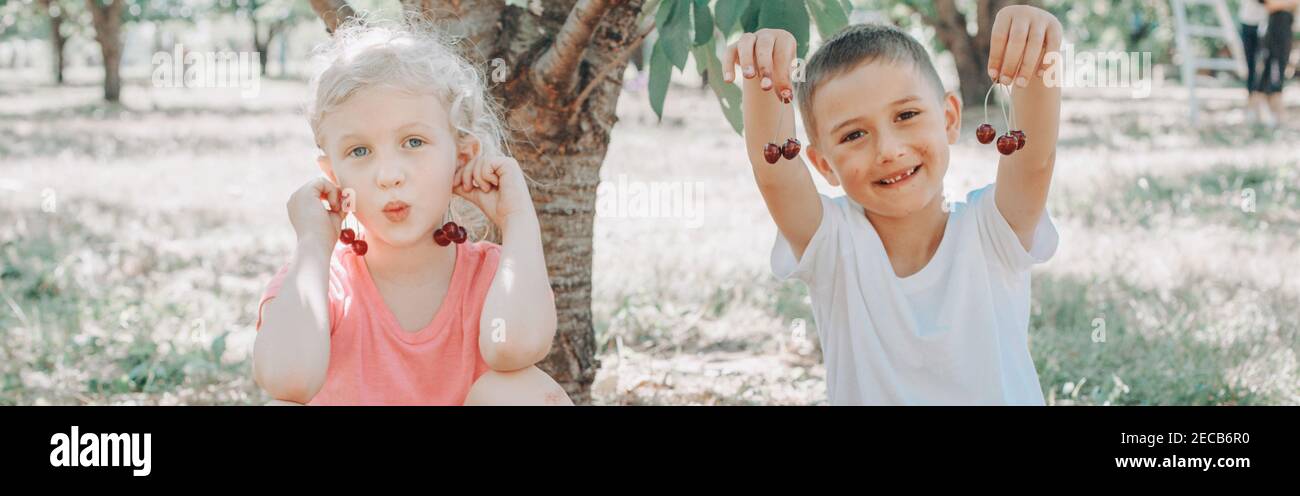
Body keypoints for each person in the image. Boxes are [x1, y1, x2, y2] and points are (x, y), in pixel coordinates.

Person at [722, 6, 1063, 404]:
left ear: (949, 118)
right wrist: (763, 75)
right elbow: (775, 174)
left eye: (906, 114)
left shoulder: (994, 232)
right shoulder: (833, 244)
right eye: (853, 135)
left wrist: (1038, 51)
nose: (888, 149)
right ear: (822, 165)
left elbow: (1034, 160)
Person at [253, 19, 570, 406]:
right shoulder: (321, 281)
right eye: (359, 151)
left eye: (413, 142)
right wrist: (313, 246)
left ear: (462, 156)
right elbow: (287, 381)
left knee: (522, 390)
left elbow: (515, 349)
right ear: (334, 175)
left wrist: (517, 219)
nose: (388, 176)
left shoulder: (493, 276)